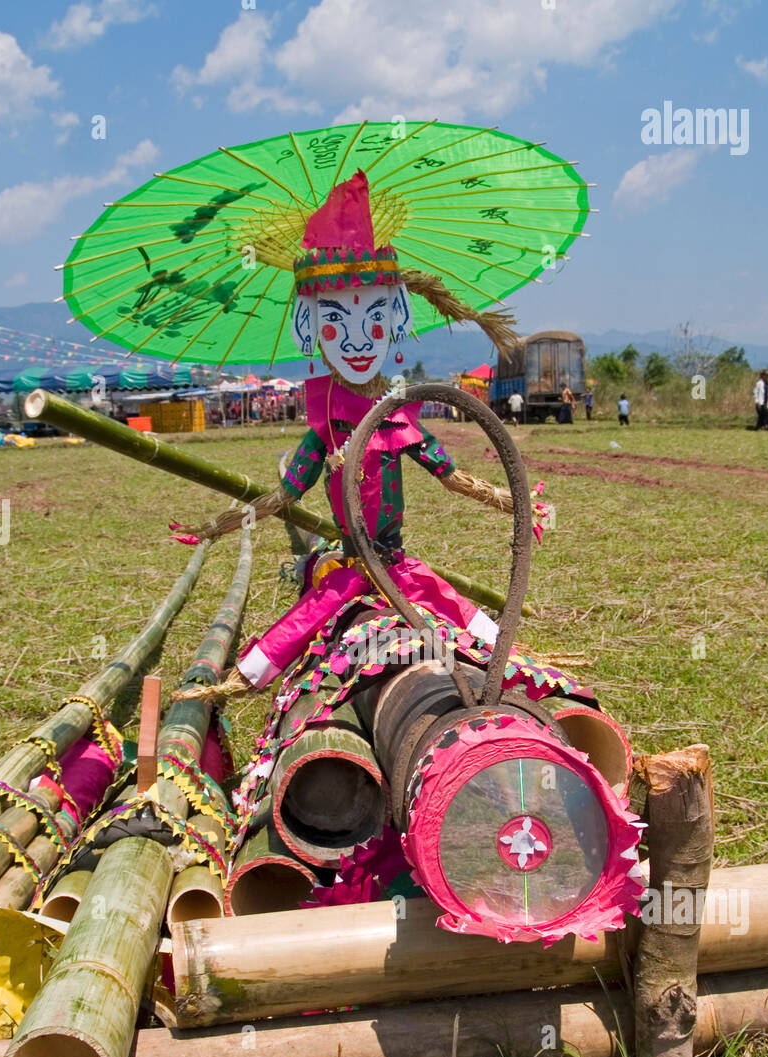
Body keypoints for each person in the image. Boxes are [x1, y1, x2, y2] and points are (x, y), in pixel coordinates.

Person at [183, 169, 528, 696]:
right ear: (308, 325)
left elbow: (449, 475)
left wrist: (508, 500)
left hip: (395, 559)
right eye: (334, 321)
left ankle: (511, 656)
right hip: (351, 561)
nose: (357, 339)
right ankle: (235, 680)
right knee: (303, 623)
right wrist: (224, 524)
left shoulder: (397, 411)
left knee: (465, 619)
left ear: (395, 317)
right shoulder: (327, 424)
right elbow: (284, 495)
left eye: (373, 318)